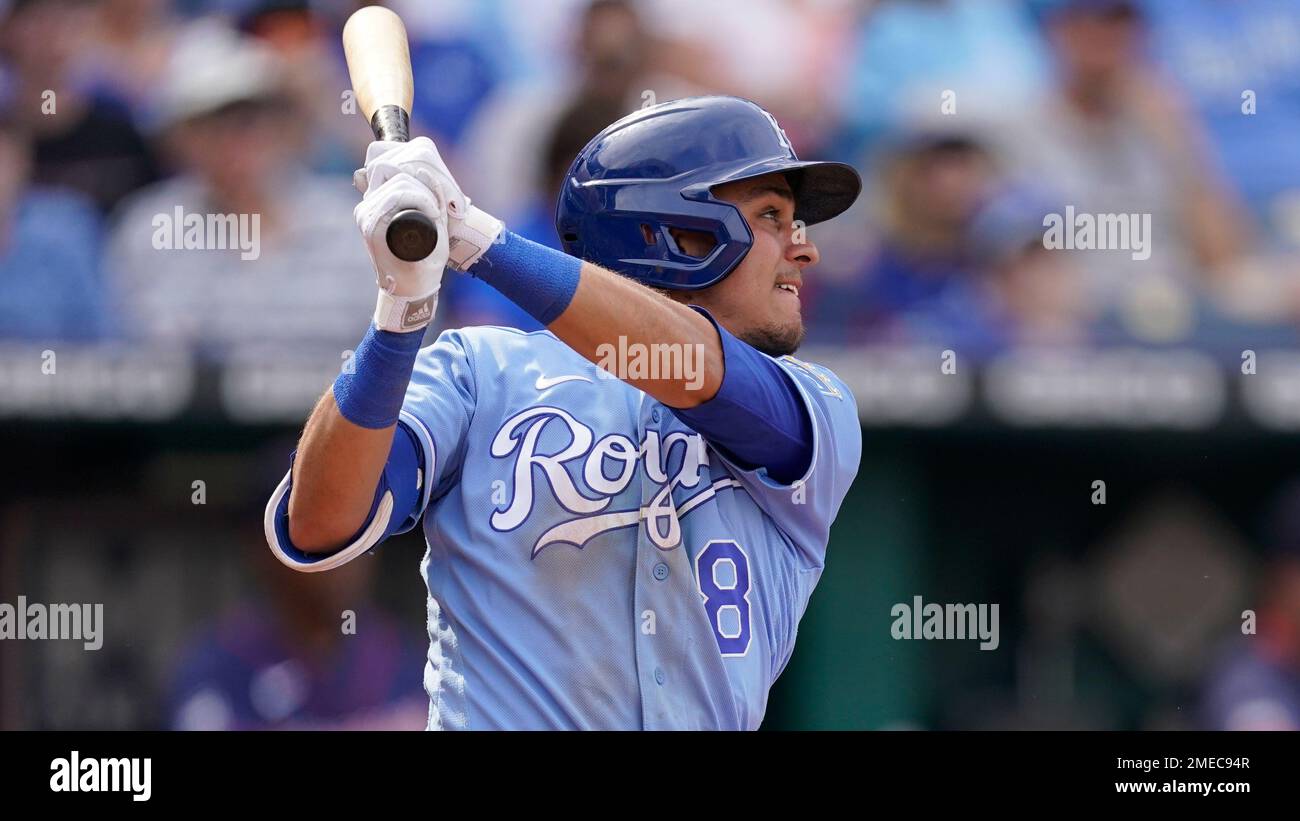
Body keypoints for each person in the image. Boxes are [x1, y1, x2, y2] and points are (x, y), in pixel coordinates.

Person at [264, 96, 864, 730]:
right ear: (678, 231)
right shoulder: (478, 370)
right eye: (772, 215)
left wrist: (477, 240)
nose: (805, 251)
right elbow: (320, 523)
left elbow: (689, 365)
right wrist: (400, 309)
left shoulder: (815, 404)